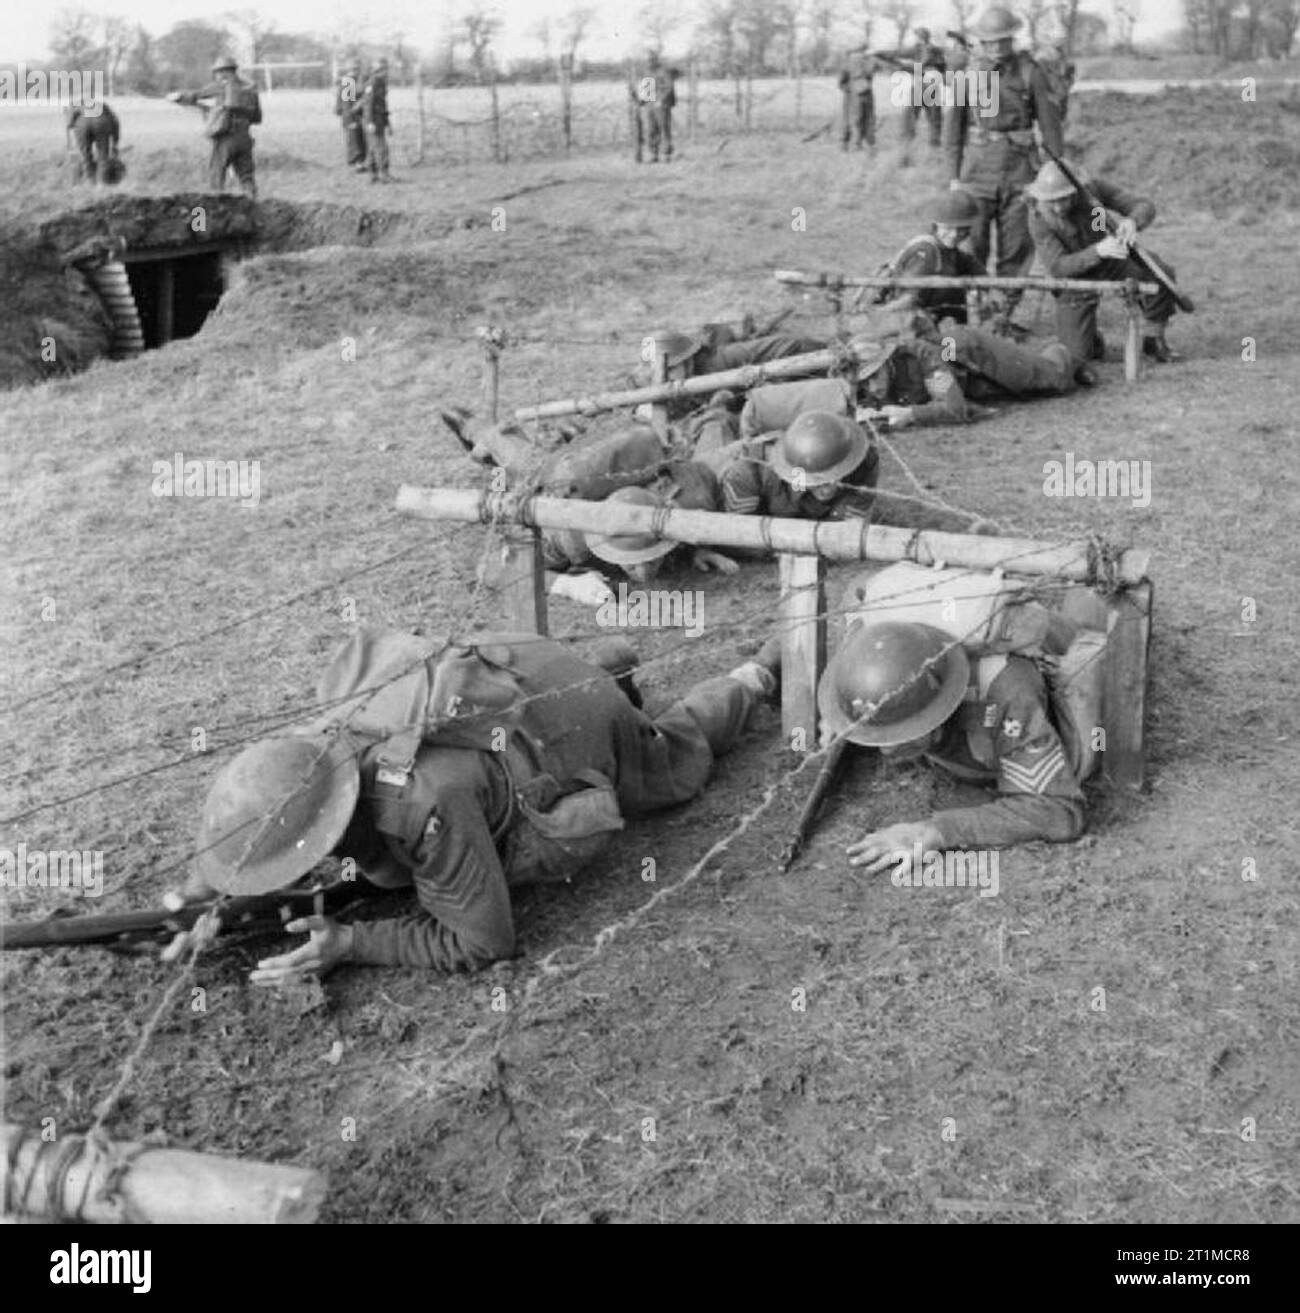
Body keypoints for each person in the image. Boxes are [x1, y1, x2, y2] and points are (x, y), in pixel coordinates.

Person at [164, 629, 782, 975]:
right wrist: (208, 892)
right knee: (573, 690)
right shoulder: (307, 755)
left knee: (672, 763)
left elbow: (485, 943)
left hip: (567, 722)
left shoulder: (423, 802)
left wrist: (352, 944)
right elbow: (268, 809)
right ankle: (606, 666)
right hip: (514, 667)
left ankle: (751, 677)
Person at [818, 603, 1090, 879]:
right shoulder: (861, 656)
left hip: (1071, 661)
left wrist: (939, 831)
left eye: (906, 732)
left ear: (940, 708)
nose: (885, 750)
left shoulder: (1003, 690)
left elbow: (1058, 811)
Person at [436, 413, 736, 604]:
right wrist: (565, 584)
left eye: (650, 558)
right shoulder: (568, 537)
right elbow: (489, 567)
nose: (643, 571)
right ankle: (473, 426)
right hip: (560, 482)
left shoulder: (681, 500)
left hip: (626, 467)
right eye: (632, 563)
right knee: (523, 461)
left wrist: (695, 549)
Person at [943, 6, 1063, 324]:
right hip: (976, 173)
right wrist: (953, 178)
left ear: (1012, 38)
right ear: (980, 42)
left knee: (1017, 248)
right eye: (989, 41)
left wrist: (1054, 168)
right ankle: (974, 313)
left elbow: (1050, 127)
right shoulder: (966, 76)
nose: (996, 47)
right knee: (972, 245)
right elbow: (952, 133)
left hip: (1020, 171)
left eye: (1002, 40)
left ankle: (1004, 315)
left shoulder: (1030, 72)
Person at [1026, 159, 1182, 364]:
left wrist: (1132, 222)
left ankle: (1154, 338)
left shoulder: (1093, 191)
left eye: (1062, 199)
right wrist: (1097, 251)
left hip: (1112, 259)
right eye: (1050, 200)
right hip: (1072, 276)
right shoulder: (1038, 218)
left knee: (1159, 273)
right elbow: (1058, 267)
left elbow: (1143, 205)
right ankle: (1092, 339)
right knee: (1077, 357)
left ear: (1074, 192)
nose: (1056, 207)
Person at [719, 409, 878, 522]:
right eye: (819, 481)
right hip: (718, 463)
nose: (829, 488)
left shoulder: (860, 460)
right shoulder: (749, 471)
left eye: (836, 475)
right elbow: (742, 533)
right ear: (796, 472)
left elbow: (846, 529)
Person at [874, 190, 986, 323]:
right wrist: (877, 317)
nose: (954, 234)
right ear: (936, 226)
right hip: (908, 325)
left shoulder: (950, 252)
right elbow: (909, 299)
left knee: (960, 341)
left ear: (969, 229)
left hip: (928, 322)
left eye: (961, 229)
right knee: (955, 342)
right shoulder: (927, 252)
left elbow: (979, 272)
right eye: (948, 228)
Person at [169, 56, 261, 199]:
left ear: (223, 72)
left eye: (217, 73)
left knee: (216, 176)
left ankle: (216, 212)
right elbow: (256, 118)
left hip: (226, 138)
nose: (217, 76)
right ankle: (253, 207)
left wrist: (177, 96)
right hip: (245, 139)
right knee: (246, 177)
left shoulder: (223, 84)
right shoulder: (250, 88)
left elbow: (197, 95)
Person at [633, 51, 677, 163]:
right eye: (648, 60)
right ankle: (654, 155)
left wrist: (661, 100)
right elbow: (646, 90)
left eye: (651, 59)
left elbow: (669, 87)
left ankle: (667, 155)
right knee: (652, 130)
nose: (649, 62)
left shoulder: (663, 71)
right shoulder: (647, 72)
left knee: (664, 129)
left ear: (656, 60)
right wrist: (641, 101)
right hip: (650, 105)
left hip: (661, 105)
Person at [67, 102, 121, 185]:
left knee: (85, 155)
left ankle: (89, 181)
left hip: (82, 124)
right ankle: (102, 181)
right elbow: (115, 121)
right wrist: (115, 143)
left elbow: (70, 123)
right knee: (103, 155)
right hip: (102, 123)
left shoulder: (77, 104)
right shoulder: (103, 105)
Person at [838, 47, 879, 150]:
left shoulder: (854, 62)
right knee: (862, 119)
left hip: (860, 94)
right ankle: (858, 143)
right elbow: (842, 82)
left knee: (858, 119)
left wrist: (851, 89)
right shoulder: (868, 62)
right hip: (859, 95)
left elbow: (841, 83)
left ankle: (853, 143)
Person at [334, 61, 367, 172]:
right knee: (355, 140)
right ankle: (357, 164)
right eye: (356, 69)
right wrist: (351, 120)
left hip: (355, 115)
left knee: (358, 139)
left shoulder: (353, 81)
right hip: (352, 117)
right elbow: (347, 104)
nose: (358, 71)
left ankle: (360, 163)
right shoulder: (349, 81)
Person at [362, 58, 391, 182]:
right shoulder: (372, 83)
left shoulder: (382, 83)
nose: (386, 72)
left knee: (374, 148)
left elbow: (383, 105)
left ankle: (373, 175)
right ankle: (383, 174)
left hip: (379, 120)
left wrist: (388, 124)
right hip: (372, 121)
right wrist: (369, 122)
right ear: (379, 70)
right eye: (384, 69)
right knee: (381, 148)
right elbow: (368, 104)